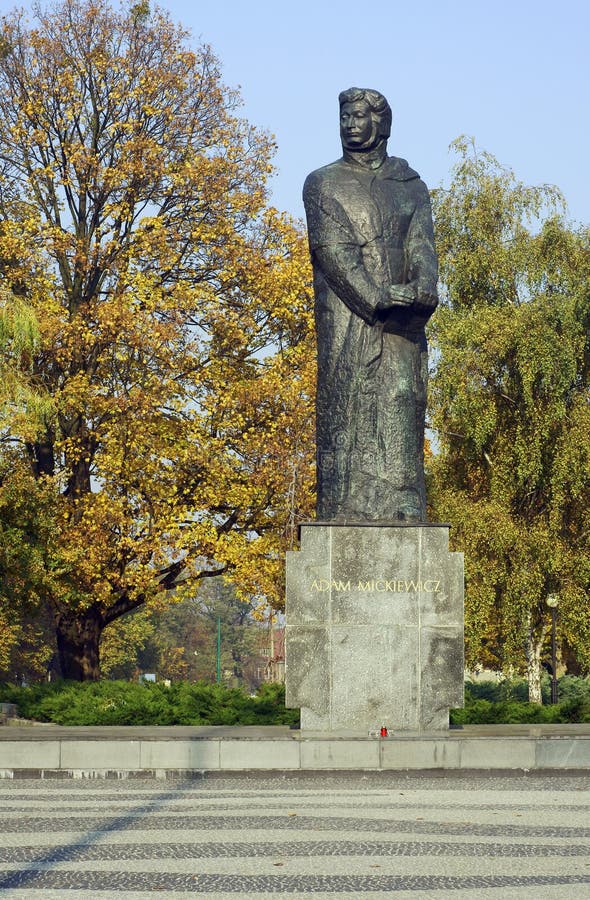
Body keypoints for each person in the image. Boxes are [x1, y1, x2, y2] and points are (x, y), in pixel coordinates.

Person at [303, 87, 438, 522]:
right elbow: (334, 254)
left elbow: (422, 246)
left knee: (402, 398)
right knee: (349, 405)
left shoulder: (410, 186)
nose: (348, 124)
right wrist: (379, 297)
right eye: (344, 116)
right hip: (350, 321)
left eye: (358, 116)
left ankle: (404, 501)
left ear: (380, 124)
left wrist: (424, 286)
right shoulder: (323, 183)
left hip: (403, 325)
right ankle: (345, 506)